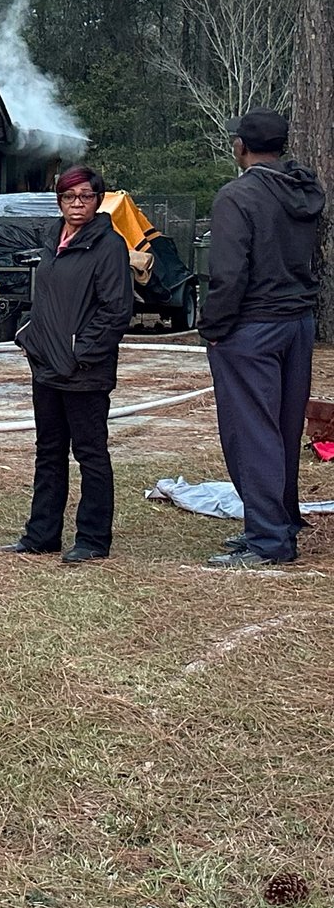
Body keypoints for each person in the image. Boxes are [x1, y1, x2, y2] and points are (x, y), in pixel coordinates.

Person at [199, 108, 325, 569]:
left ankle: (268, 541)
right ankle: (281, 521)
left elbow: (228, 274)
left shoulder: (238, 196)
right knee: (283, 428)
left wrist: (213, 328)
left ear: (241, 147)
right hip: (297, 323)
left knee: (251, 432)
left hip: (251, 326)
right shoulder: (306, 191)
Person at [0, 165, 134, 563]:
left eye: (86, 196)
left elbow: (116, 311)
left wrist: (80, 354)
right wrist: (32, 339)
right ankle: (41, 534)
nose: (77, 203)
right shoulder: (52, 240)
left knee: (91, 453)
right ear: (59, 200)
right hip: (46, 367)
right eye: (69, 196)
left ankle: (92, 540)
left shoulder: (109, 246)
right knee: (49, 451)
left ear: (97, 200)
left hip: (84, 371)